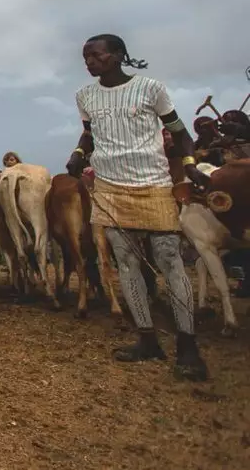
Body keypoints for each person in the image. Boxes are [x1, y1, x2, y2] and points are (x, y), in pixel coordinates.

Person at [65, 33, 208, 381]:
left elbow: (181, 132)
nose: (89, 62)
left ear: (117, 56)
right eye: (86, 57)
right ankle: (146, 339)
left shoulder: (150, 89)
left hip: (154, 185)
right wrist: (79, 153)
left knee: (169, 260)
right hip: (111, 187)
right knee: (126, 264)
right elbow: (90, 133)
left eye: (96, 55)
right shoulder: (85, 96)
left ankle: (188, 346)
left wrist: (188, 163)